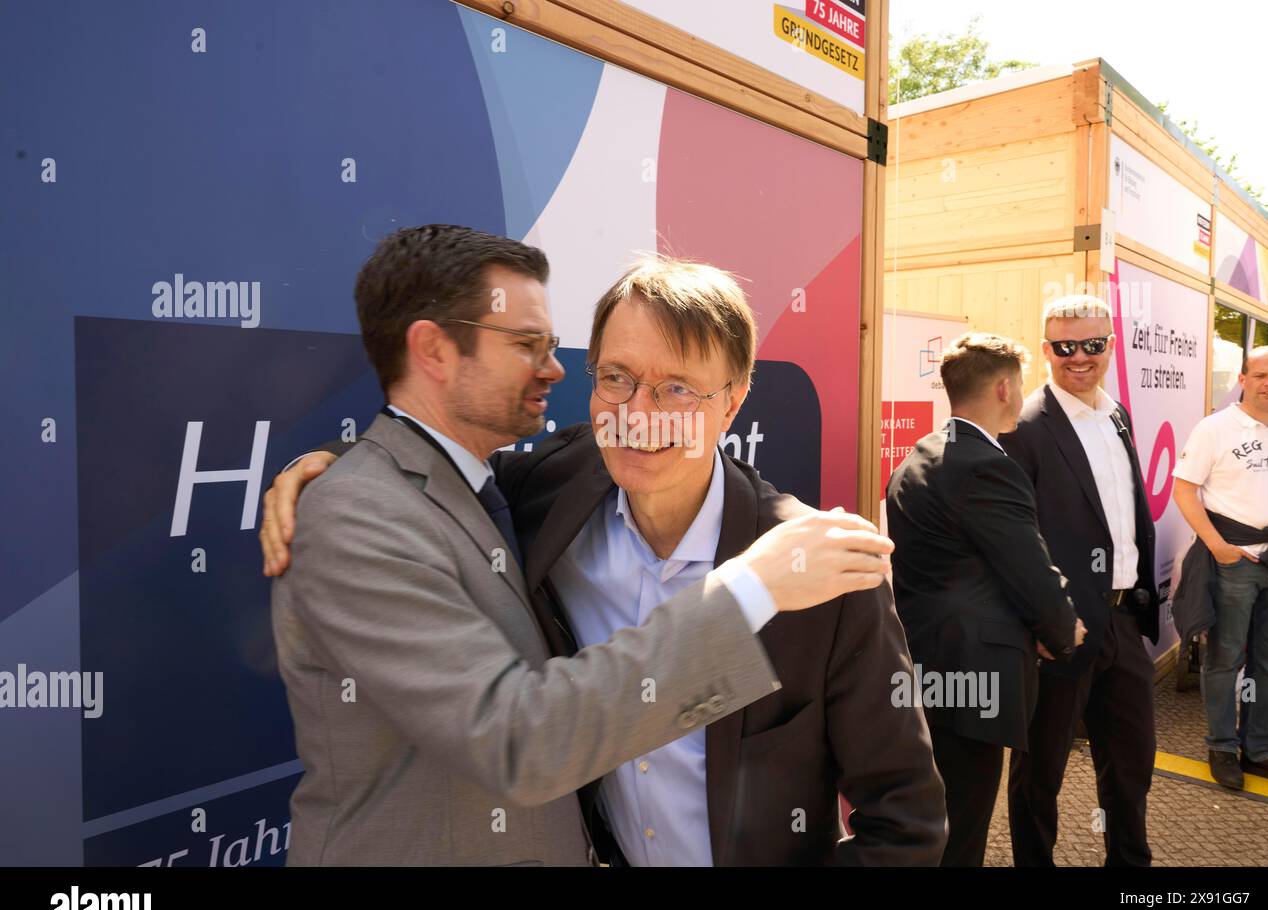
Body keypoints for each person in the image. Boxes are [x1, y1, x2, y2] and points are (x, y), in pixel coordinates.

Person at [265, 252, 947, 866]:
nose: (636, 414)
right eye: (616, 377)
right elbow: (428, 479)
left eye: (677, 388)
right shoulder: (547, 492)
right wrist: (333, 468)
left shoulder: (818, 574)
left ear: (733, 403)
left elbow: (908, 824)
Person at [886, 332, 1081, 866]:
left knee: (935, 818)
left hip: (926, 666)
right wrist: (1063, 632)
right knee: (963, 829)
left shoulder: (918, 457)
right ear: (1003, 388)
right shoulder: (986, 465)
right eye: (1020, 385)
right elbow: (1028, 570)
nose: (1022, 396)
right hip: (975, 676)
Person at [1000, 294, 1159, 867]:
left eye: (1092, 344)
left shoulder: (1117, 414)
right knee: (1039, 772)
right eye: (1065, 346)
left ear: (1110, 346)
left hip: (1122, 623)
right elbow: (1012, 539)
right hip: (1060, 629)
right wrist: (1041, 622)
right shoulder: (1024, 426)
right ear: (1046, 351)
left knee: (1132, 764)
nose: (1079, 357)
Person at [1171, 345, 1268, 790]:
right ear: (1243, 379)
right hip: (1234, 561)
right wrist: (1217, 546)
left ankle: (1262, 750)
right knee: (1224, 658)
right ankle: (1222, 747)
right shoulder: (1214, 429)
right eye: (1260, 375)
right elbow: (1185, 490)